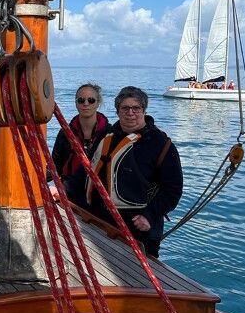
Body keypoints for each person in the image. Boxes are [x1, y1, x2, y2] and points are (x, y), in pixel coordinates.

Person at [67, 86, 183, 258]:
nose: (130, 113)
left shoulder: (162, 145)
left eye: (136, 108)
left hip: (138, 229)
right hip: (99, 222)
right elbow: (85, 171)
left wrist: (149, 216)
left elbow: (173, 190)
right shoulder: (106, 137)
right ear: (118, 111)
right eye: (125, 108)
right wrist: (63, 189)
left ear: (144, 110)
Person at [51, 83, 109, 183]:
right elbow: (56, 166)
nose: (86, 104)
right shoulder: (65, 133)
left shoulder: (109, 133)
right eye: (81, 100)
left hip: (99, 188)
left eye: (91, 100)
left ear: (98, 103)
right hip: (70, 187)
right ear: (76, 104)